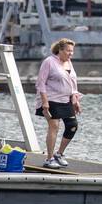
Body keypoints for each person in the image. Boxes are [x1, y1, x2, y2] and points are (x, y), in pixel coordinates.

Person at [36, 37, 82, 169]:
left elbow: (72, 82)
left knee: (72, 125)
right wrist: (45, 102)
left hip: (66, 99)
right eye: (68, 51)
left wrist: (76, 100)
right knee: (54, 127)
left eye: (72, 51)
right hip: (51, 99)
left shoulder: (69, 62)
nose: (70, 54)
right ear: (60, 50)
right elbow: (41, 83)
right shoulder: (49, 62)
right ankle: (49, 158)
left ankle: (59, 153)